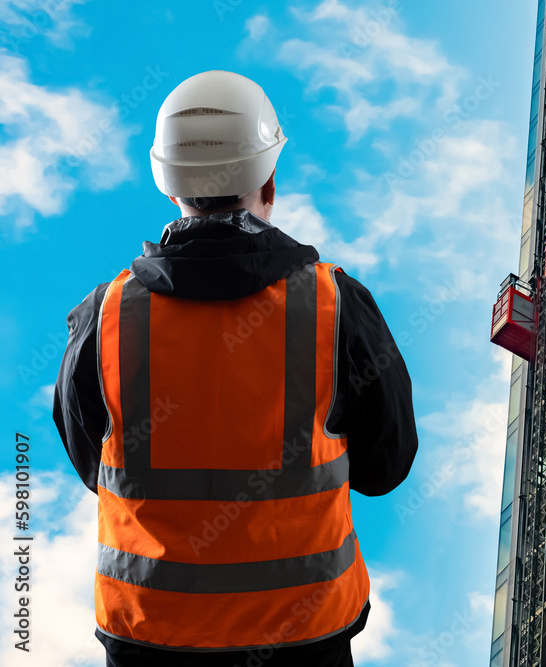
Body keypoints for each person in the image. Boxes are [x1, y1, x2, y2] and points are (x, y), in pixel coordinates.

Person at [52, 70, 418, 667]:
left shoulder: (105, 315)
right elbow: (387, 466)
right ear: (268, 181)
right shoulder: (335, 304)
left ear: (168, 185)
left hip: (149, 638)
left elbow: (94, 467)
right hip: (304, 639)